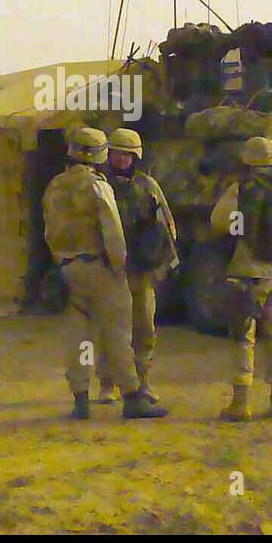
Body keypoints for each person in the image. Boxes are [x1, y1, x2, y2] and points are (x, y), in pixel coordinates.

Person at [42, 126, 168, 421]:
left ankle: (81, 398)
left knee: (79, 337)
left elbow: (49, 229)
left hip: (68, 268)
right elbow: (112, 231)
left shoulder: (55, 186)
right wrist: (118, 266)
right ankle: (133, 397)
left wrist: (61, 261)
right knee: (118, 333)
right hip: (100, 267)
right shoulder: (98, 186)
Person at [209, 136, 272, 422]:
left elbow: (219, 221)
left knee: (243, 337)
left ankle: (241, 403)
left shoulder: (240, 190)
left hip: (244, 273)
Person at [94, 127, 177, 405]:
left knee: (144, 329)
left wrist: (164, 261)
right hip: (109, 268)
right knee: (110, 328)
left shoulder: (147, 186)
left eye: (127, 155)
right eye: (117, 154)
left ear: (135, 157)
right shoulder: (99, 184)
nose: (121, 159)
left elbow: (166, 224)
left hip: (141, 268)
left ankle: (143, 382)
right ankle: (107, 383)